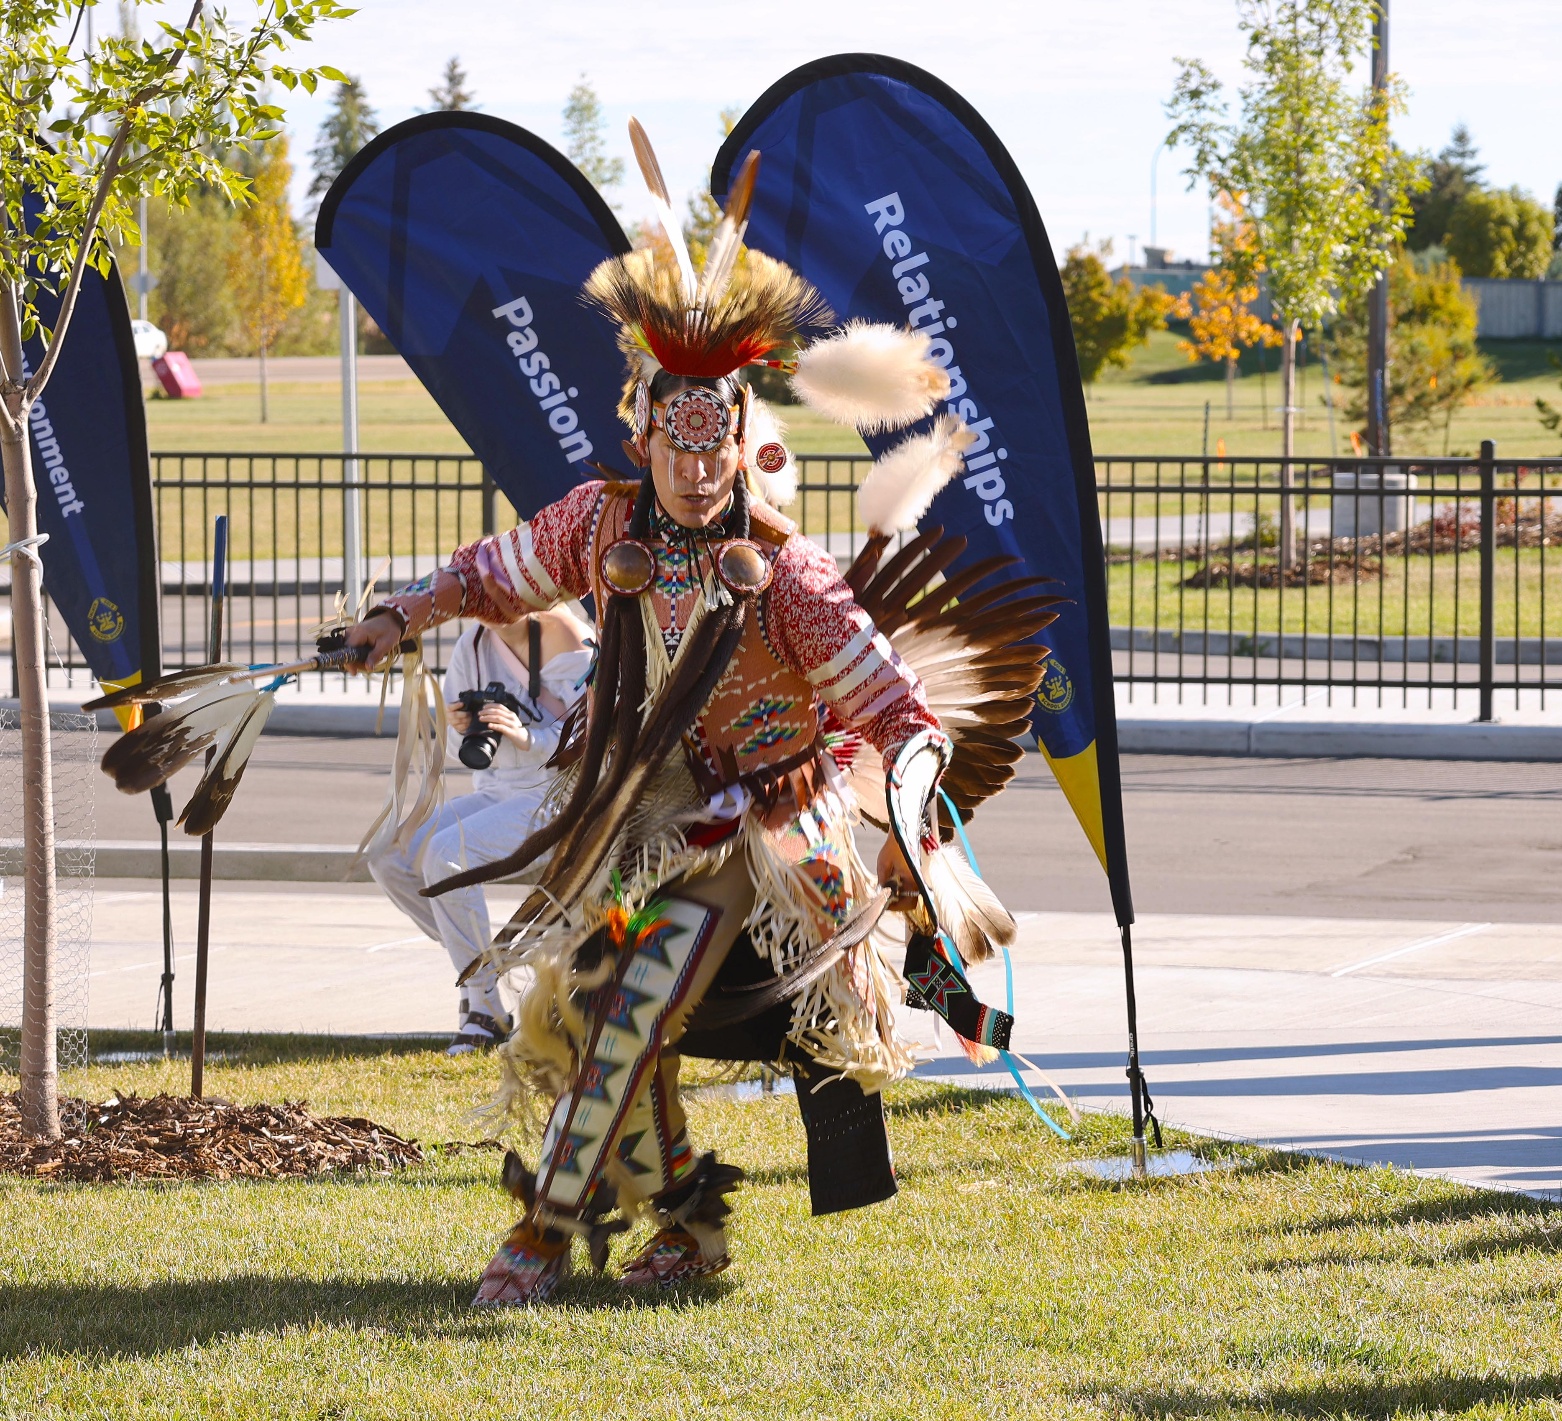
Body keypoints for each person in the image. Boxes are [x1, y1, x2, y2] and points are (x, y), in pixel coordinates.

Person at [337, 150, 1046, 1308]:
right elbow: (488, 574)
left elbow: (895, 709)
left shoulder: (786, 575)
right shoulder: (594, 524)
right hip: (632, 811)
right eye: (679, 441)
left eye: (718, 443)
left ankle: (543, 1228)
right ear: (645, 437)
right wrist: (397, 613)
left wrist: (913, 811)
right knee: (594, 995)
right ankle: (683, 1222)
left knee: (637, 979)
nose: (697, 464)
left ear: (739, 443)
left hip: (759, 828)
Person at [364, 606, 592, 1055]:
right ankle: (483, 973)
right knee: (388, 853)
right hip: (497, 792)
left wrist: (529, 736)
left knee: (445, 854)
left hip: (557, 797)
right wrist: (464, 726)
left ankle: (483, 1010)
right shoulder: (473, 643)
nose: (489, 607)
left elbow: (592, 738)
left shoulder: (574, 640)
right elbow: (462, 747)